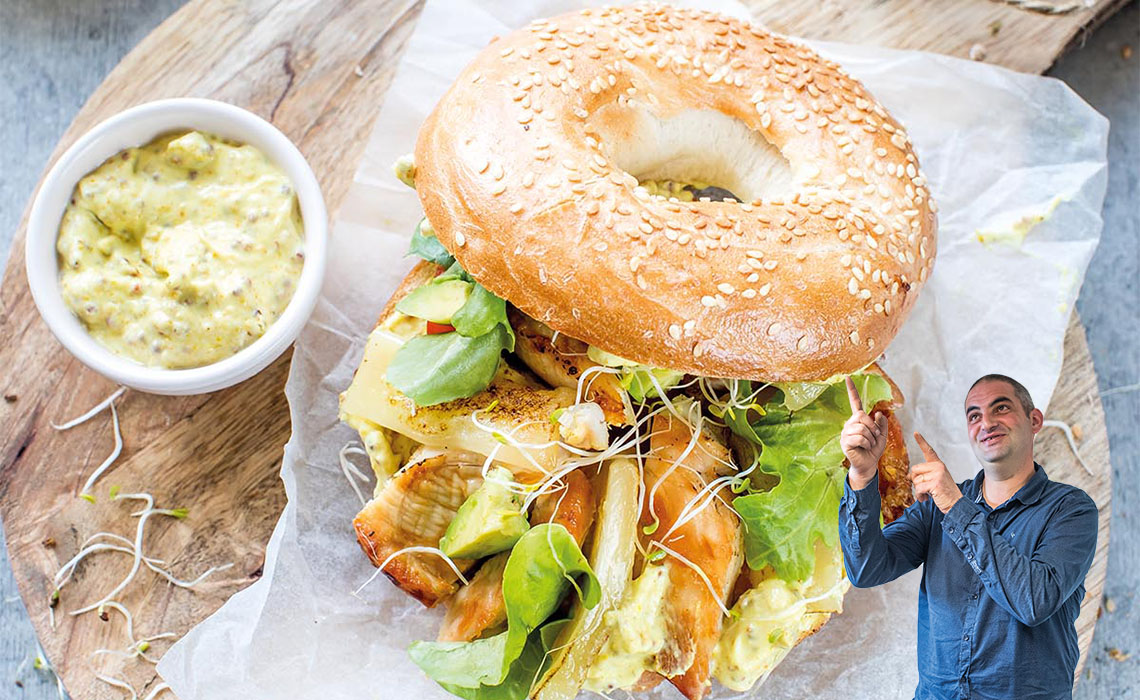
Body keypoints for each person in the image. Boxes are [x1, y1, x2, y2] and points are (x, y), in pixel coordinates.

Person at [838, 374, 1098, 700]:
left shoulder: (1071, 510)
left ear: (1034, 420)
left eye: (1000, 408)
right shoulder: (937, 507)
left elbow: (1034, 600)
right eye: (974, 415)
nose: (986, 423)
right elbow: (865, 570)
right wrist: (862, 475)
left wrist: (955, 506)